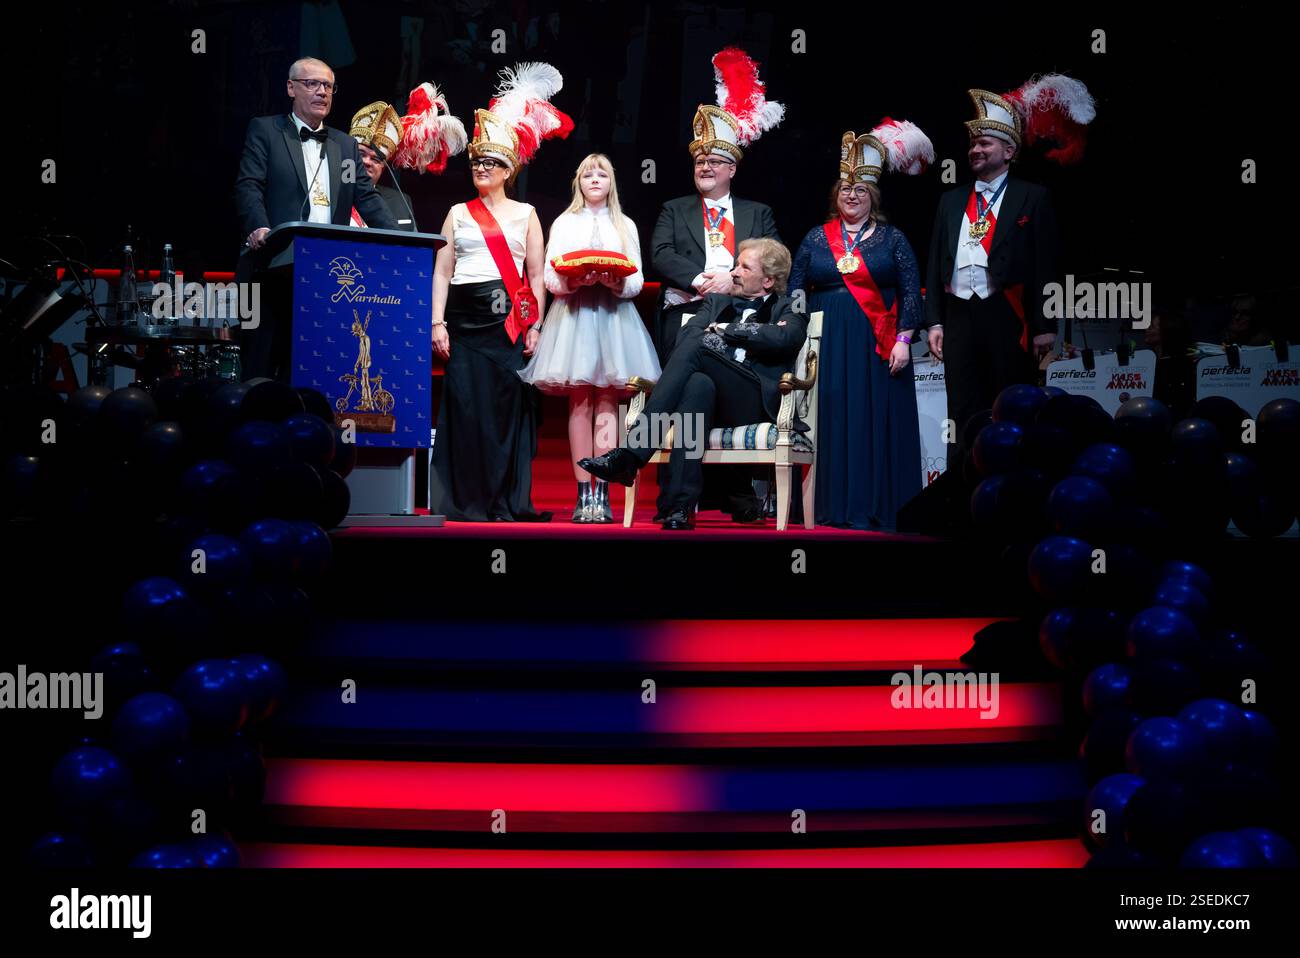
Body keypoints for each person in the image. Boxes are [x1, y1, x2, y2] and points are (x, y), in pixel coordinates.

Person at [427, 62, 572, 522]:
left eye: (489, 163)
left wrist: (535, 326)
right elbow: (442, 271)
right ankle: (465, 501)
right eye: (475, 162)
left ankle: (506, 500)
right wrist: (437, 322)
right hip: (465, 323)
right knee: (467, 412)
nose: (480, 168)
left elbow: (534, 277)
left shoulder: (527, 213)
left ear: (508, 168)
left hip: (510, 322)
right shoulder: (457, 211)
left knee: (507, 414)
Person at [580, 239, 807, 531]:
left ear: (767, 280)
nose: (734, 272)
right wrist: (746, 333)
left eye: (744, 267)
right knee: (696, 386)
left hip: (754, 401)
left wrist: (727, 330)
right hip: (713, 397)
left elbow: (787, 338)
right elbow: (686, 336)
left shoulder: (790, 304)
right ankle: (679, 508)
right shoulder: (716, 302)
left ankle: (631, 453)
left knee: (699, 348)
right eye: (736, 264)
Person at [924, 75, 1095, 459]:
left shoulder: (1034, 196)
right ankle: (960, 489)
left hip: (1009, 315)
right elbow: (935, 262)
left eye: (984, 143)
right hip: (959, 317)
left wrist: (1044, 326)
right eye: (972, 143)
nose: (975, 150)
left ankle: (1007, 484)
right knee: (962, 408)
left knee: (1008, 403)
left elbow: (1045, 265)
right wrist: (934, 321)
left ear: (1009, 150)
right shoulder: (950, 200)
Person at [649, 47, 784, 524]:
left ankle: (729, 495)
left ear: (732, 168)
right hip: (686, 315)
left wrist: (733, 282)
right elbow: (661, 254)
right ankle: (683, 502)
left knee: (714, 396)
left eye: (714, 159)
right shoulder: (673, 208)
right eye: (699, 158)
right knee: (692, 394)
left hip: (739, 323)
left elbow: (773, 262)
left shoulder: (757, 212)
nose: (705, 164)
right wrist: (705, 280)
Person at [789, 121, 933, 530]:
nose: (852, 196)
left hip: (877, 344)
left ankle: (872, 508)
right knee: (831, 419)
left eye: (860, 190)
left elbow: (910, 292)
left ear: (873, 196)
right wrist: (796, 334)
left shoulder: (893, 239)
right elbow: (796, 288)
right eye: (845, 190)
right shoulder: (817, 237)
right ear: (836, 196)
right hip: (825, 343)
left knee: (871, 422)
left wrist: (904, 339)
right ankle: (827, 507)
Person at [233, 57, 397, 380]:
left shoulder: (345, 145)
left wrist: (401, 240)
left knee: (313, 373)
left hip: (324, 278)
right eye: (312, 84)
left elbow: (367, 200)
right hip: (270, 270)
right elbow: (248, 186)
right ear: (291, 88)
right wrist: (258, 226)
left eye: (328, 86)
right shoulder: (265, 130)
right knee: (261, 373)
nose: (322, 92)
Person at [518, 153, 661, 523]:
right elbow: (550, 275)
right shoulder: (565, 222)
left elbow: (637, 278)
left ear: (612, 182)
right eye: (587, 174)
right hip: (575, 316)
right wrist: (574, 280)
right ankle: (584, 494)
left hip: (614, 320)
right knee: (580, 399)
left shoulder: (624, 223)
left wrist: (617, 282)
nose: (595, 179)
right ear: (577, 183)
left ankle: (604, 489)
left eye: (602, 174)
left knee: (608, 401)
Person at [348, 82, 468, 231]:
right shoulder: (329, 188)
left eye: (376, 159)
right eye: (361, 154)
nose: (367, 162)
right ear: (348, 155)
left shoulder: (400, 201)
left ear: (383, 166)